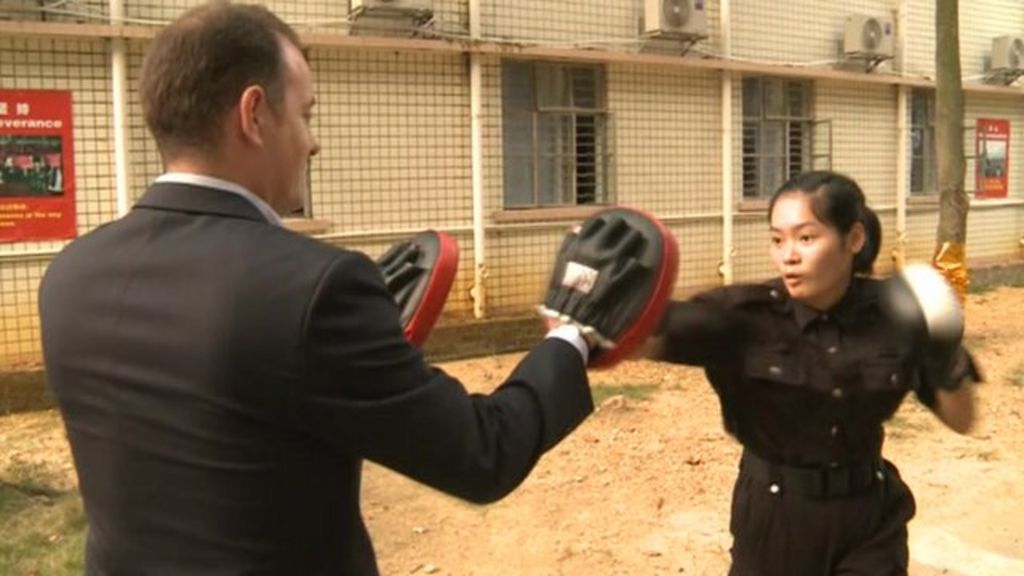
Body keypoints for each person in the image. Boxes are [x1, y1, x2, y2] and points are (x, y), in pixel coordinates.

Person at [38, 3, 599, 574]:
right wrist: (568, 340)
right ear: (254, 114)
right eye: (306, 114)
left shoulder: (71, 274)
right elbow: (481, 453)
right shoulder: (316, 289)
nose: (313, 143)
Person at [648, 170, 980, 575]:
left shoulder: (895, 314)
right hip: (777, 519)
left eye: (806, 238)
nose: (788, 255)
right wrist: (605, 307)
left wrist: (944, 354)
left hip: (870, 517)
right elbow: (645, 337)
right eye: (777, 240)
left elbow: (963, 420)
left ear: (853, 239)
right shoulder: (744, 317)